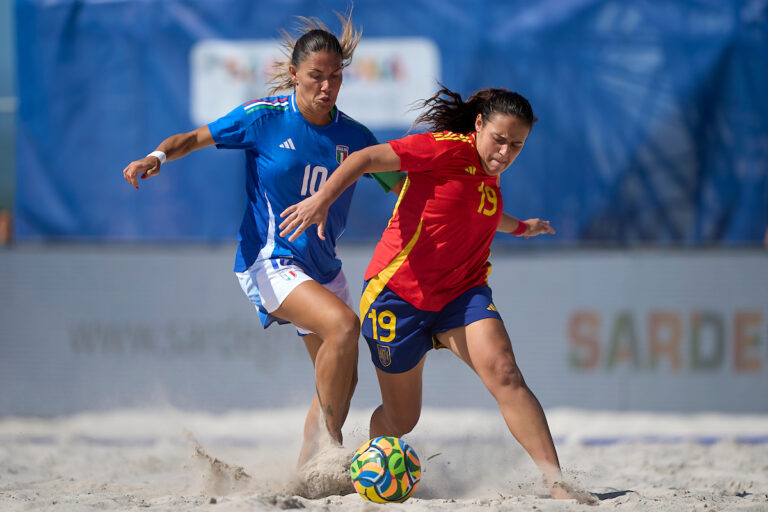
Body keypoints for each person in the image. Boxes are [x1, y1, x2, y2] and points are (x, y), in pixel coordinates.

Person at [279, 86, 591, 501]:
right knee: (401, 419)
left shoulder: (488, 176)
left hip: (463, 295)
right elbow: (364, 158)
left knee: (505, 372)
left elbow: (483, 212)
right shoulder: (443, 150)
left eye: (517, 145)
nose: (505, 152)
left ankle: (557, 483)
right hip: (397, 299)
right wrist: (323, 198)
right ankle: (369, 459)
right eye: (499, 139)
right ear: (479, 125)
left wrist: (523, 227)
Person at [122, 14, 402, 468]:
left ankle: (307, 469)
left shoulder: (355, 137)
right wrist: (156, 156)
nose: (327, 86)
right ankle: (331, 453)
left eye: (336, 77)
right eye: (316, 76)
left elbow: (403, 187)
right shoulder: (263, 118)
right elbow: (193, 137)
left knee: (341, 380)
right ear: (294, 75)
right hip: (269, 260)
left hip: (323, 267)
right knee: (345, 327)